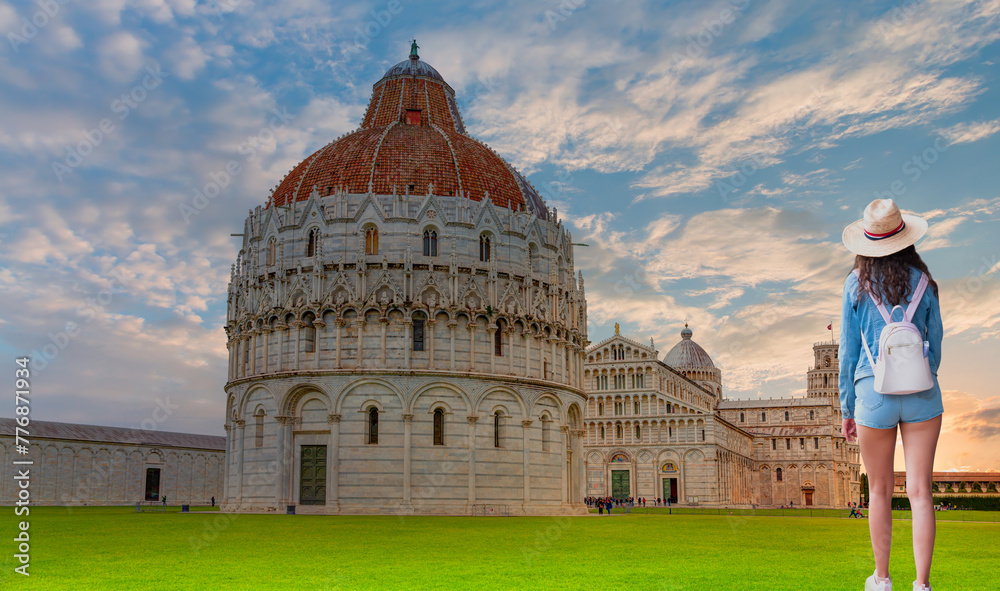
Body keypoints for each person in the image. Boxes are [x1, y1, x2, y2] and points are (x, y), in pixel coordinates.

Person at [840, 199, 943, 591]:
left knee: (879, 490)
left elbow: (847, 352)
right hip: (922, 393)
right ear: (905, 238)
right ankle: (922, 584)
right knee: (920, 492)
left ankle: (882, 579)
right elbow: (936, 339)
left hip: (872, 393)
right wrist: (925, 375)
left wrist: (847, 408)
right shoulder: (924, 282)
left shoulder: (855, 284)